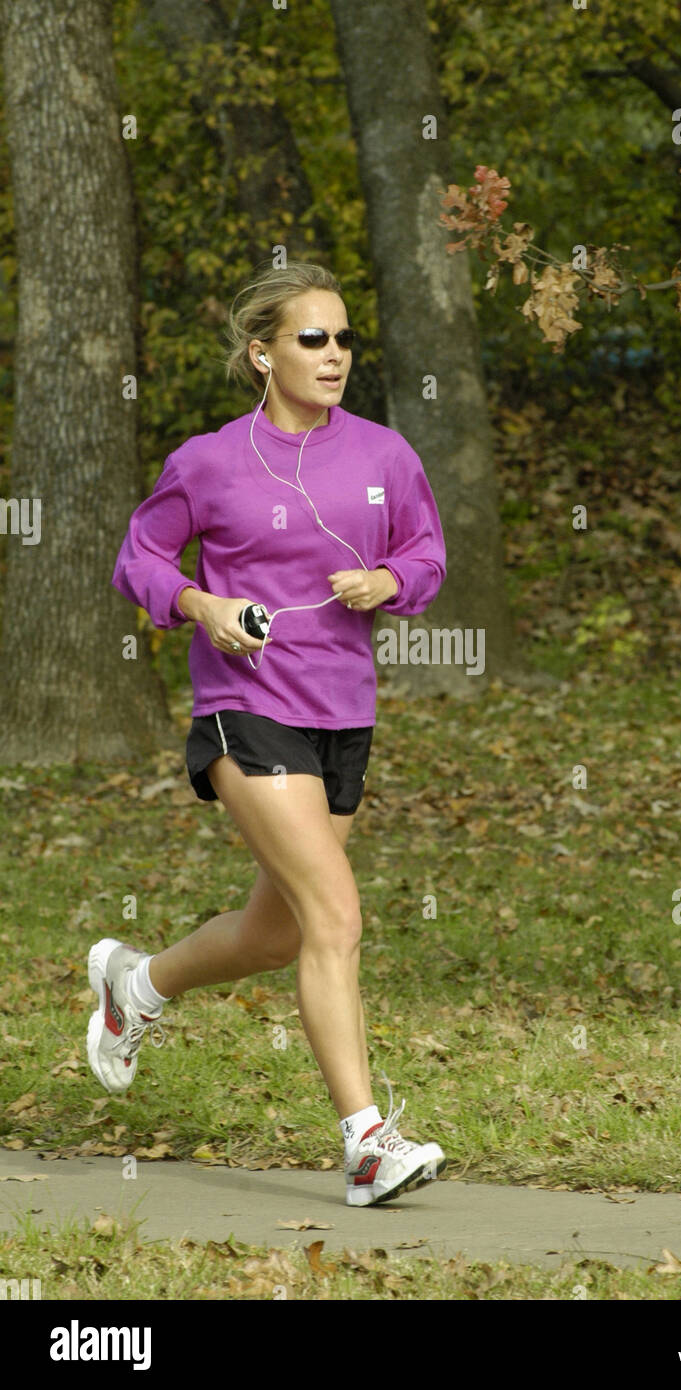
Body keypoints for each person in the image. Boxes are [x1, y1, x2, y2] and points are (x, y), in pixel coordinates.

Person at [87, 262, 448, 1207]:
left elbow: (427, 552)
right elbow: (141, 559)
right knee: (336, 916)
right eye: (312, 339)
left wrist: (391, 584)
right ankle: (367, 1143)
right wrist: (201, 606)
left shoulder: (383, 454)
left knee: (275, 931)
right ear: (263, 353)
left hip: (345, 716)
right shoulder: (207, 460)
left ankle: (139, 984)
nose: (335, 356)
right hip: (245, 709)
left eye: (343, 340)